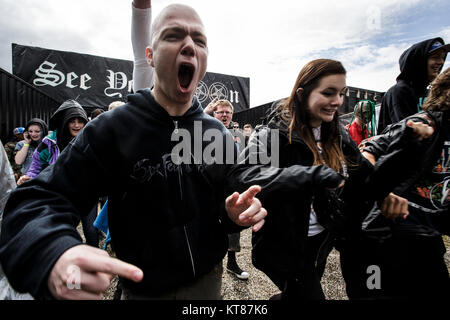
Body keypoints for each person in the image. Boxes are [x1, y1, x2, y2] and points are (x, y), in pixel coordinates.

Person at [0, 4, 268, 300]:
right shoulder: (113, 129)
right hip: (144, 289)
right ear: (150, 57)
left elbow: (228, 198)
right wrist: (55, 252)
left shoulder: (215, 132)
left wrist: (233, 214)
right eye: (174, 35)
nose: (190, 45)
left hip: (207, 283)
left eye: (199, 40)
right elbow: (37, 201)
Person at [232, 58, 430, 300]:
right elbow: (244, 174)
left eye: (341, 93)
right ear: (303, 94)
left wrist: (405, 145)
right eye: (328, 93)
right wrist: (311, 174)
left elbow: (365, 179)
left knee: (299, 294)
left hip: (320, 240)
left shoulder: (337, 135)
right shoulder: (273, 133)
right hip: (282, 245)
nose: (337, 101)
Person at [339, 67, 450, 300]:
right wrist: (381, 188)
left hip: (427, 237)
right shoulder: (422, 123)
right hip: (387, 236)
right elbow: (371, 146)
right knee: (375, 291)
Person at [378, 37, 449, 133]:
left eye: (443, 57)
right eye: (435, 57)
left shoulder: (428, 93)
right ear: (419, 61)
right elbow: (405, 134)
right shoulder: (400, 91)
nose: (441, 62)